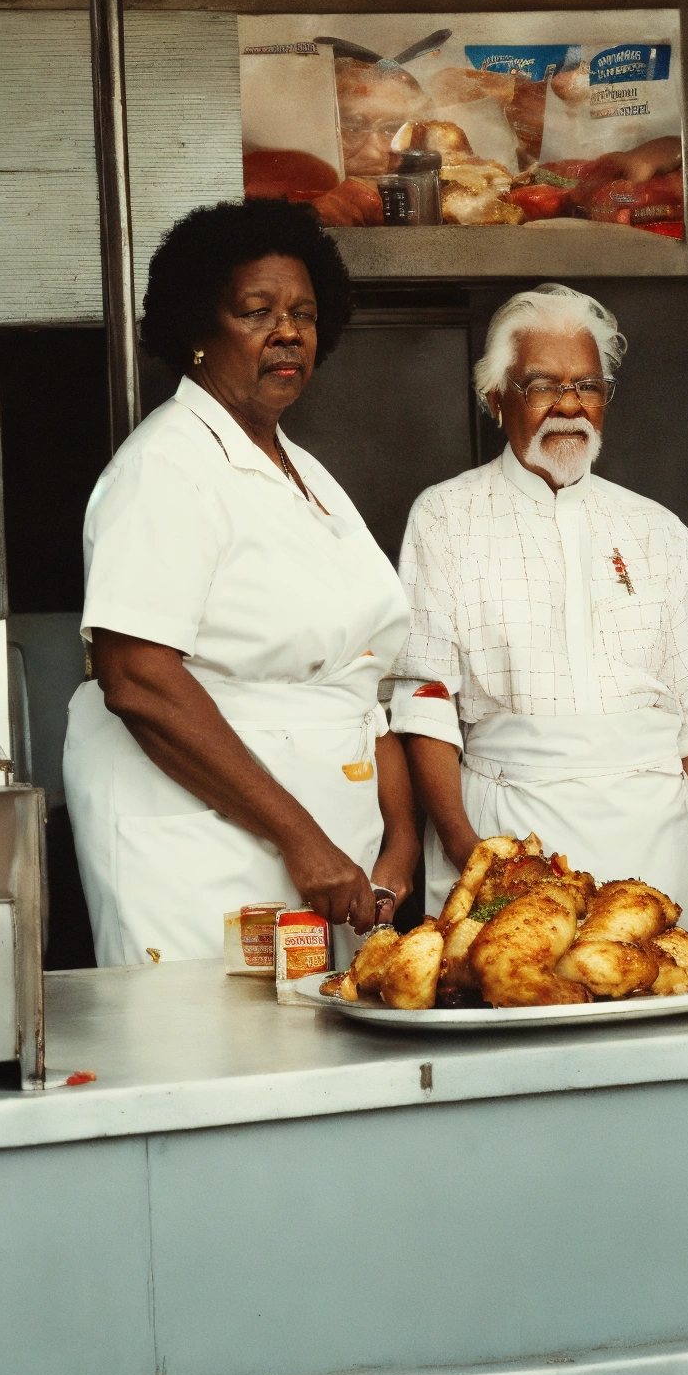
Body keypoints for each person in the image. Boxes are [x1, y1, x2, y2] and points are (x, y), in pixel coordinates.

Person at [63, 199, 419, 966]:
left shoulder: (302, 471)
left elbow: (359, 677)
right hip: (204, 853)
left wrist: (401, 837)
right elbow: (137, 679)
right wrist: (301, 838)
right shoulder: (165, 469)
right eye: (256, 311)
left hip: (330, 862)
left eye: (305, 314)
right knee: (218, 1056)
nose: (288, 331)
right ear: (197, 328)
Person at [391, 284, 688, 942]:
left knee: (662, 1003)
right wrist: (464, 850)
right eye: (542, 384)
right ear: (495, 397)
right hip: (509, 833)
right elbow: (425, 698)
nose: (569, 405)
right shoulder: (445, 516)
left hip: (656, 839)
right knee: (522, 1001)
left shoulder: (655, 529)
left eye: (587, 386)